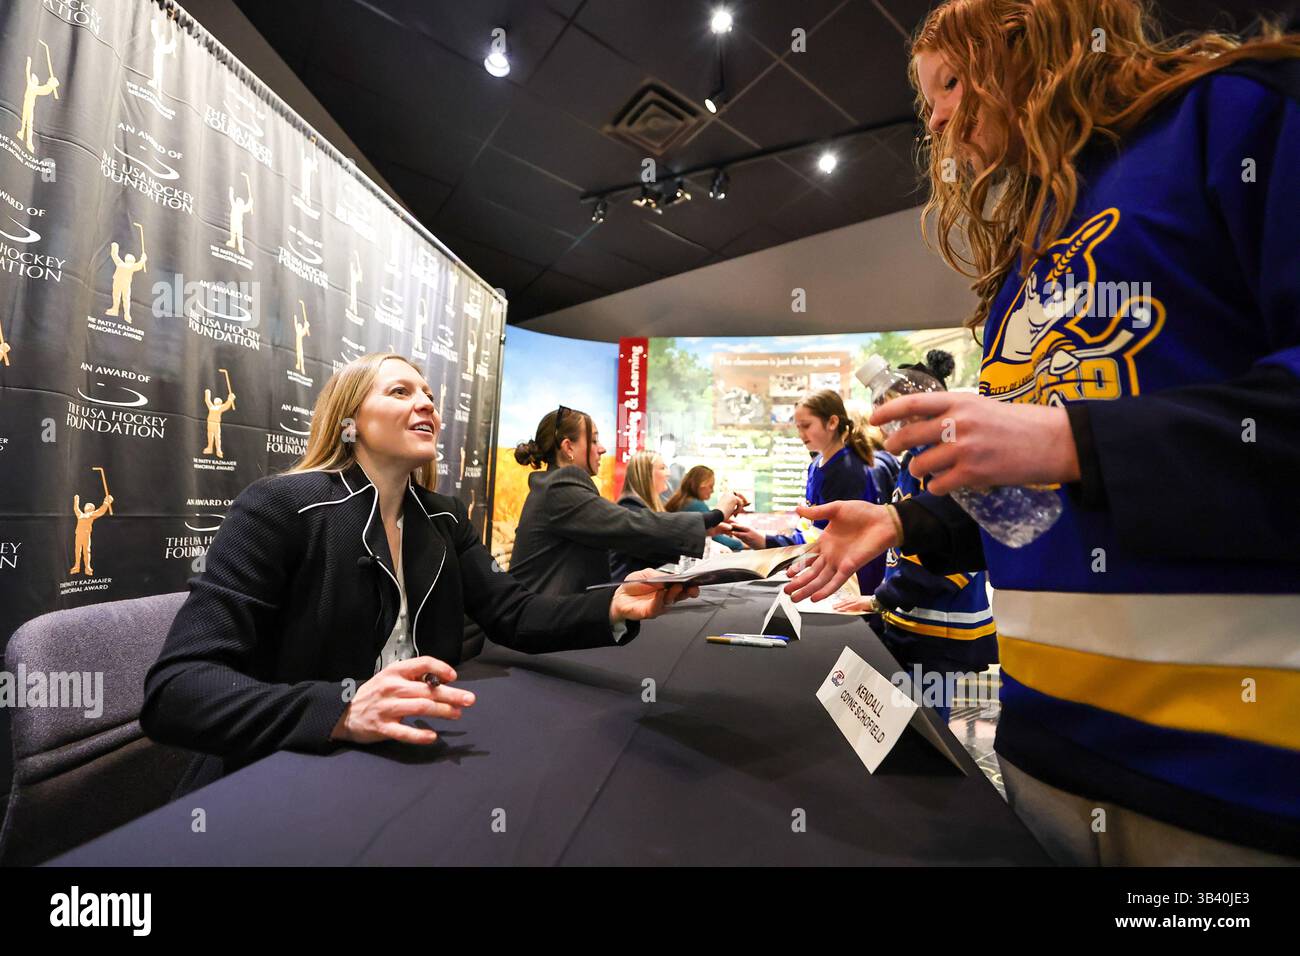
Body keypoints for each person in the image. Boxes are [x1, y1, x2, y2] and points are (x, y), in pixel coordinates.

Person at [787, 0, 1300, 864]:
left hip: (1232, 791)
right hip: (1043, 763)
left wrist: (1072, 440)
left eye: (951, 83)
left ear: (1036, 37)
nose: (939, 119)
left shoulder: (1242, 112)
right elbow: (1041, 502)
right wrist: (906, 521)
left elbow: (1078, 453)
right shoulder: (1028, 248)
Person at [141, 353, 698, 793]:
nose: (427, 404)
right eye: (401, 391)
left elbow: (515, 614)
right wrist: (341, 709)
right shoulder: (280, 507)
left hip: (406, 754)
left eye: (430, 395)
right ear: (348, 421)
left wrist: (616, 604)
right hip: (288, 770)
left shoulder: (444, 516)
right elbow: (177, 691)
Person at [834, 352, 996, 723]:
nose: (887, 420)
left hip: (941, 628)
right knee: (903, 720)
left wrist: (883, 598)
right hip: (912, 618)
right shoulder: (914, 460)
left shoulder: (949, 458)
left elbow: (955, 556)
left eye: (894, 408)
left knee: (924, 725)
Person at [508, 406, 746, 594]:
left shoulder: (553, 486)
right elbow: (631, 524)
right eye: (593, 440)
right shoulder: (560, 486)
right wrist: (716, 514)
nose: (602, 449)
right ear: (569, 447)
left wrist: (705, 528)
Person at [732, 390, 885, 594]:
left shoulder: (848, 469)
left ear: (831, 422)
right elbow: (812, 531)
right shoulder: (817, 466)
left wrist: (773, 544)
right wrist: (768, 541)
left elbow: (834, 539)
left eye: (806, 426)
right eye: (798, 427)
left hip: (852, 580)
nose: (801, 433)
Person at [665, 465, 744, 552]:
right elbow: (716, 538)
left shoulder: (679, 501)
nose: (712, 491)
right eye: (710, 486)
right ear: (702, 485)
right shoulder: (696, 505)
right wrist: (741, 543)